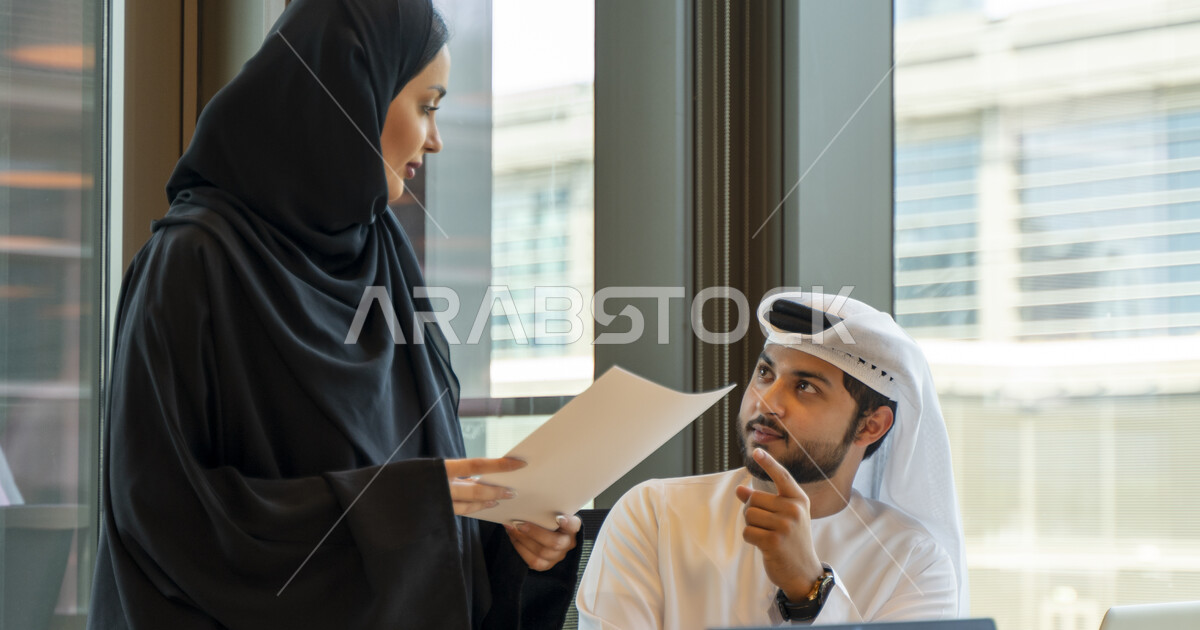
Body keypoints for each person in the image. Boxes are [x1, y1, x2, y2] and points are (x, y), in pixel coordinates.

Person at [89, 1, 581, 628]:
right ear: (353, 93)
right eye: (426, 106)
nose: (434, 138)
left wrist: (513, 545)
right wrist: (405, 508)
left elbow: (423, 497)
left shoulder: (386, 255)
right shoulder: (193, 261)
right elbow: (164, 519)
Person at [576, 291, 969, 628]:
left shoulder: (915, 562)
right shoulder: (653, 513)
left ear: (871, 426)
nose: (766, 401)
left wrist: (810, 589)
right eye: (765, 373)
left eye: (805, 387)